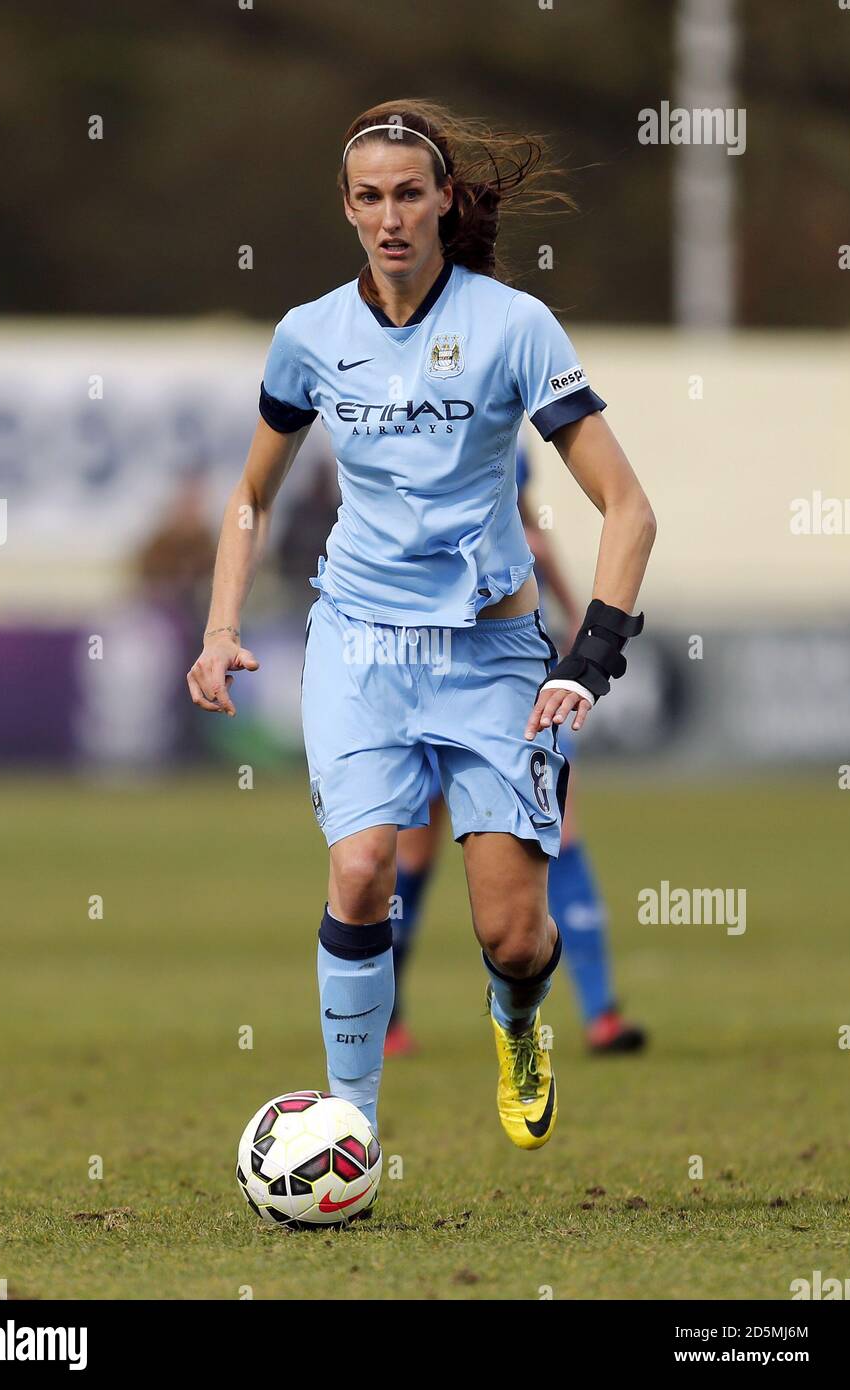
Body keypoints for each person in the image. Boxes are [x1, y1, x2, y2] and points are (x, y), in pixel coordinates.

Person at [187, 100, 656, 1153]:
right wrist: (220, 627)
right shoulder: (308, 336)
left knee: (512, 933)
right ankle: (348, 1127)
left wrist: (590, 658)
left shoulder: (511, 326)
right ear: (344, 208)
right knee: (359, 870)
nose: (389, 216)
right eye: (369, 197)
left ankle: (518, 1022)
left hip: (490, 657)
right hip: (358, 643)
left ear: (444, 199)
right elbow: (251, 498)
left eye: (409, 193)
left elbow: (627, 507)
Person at [386, 444, 648, 1059]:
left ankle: (599, 1011)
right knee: (411, 847)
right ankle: (390, 1016)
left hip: (503, 663)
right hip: (422, 665)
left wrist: (583, 629)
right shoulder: (397, 418)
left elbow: (531, 530)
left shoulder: (489, 411)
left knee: (557, 825)